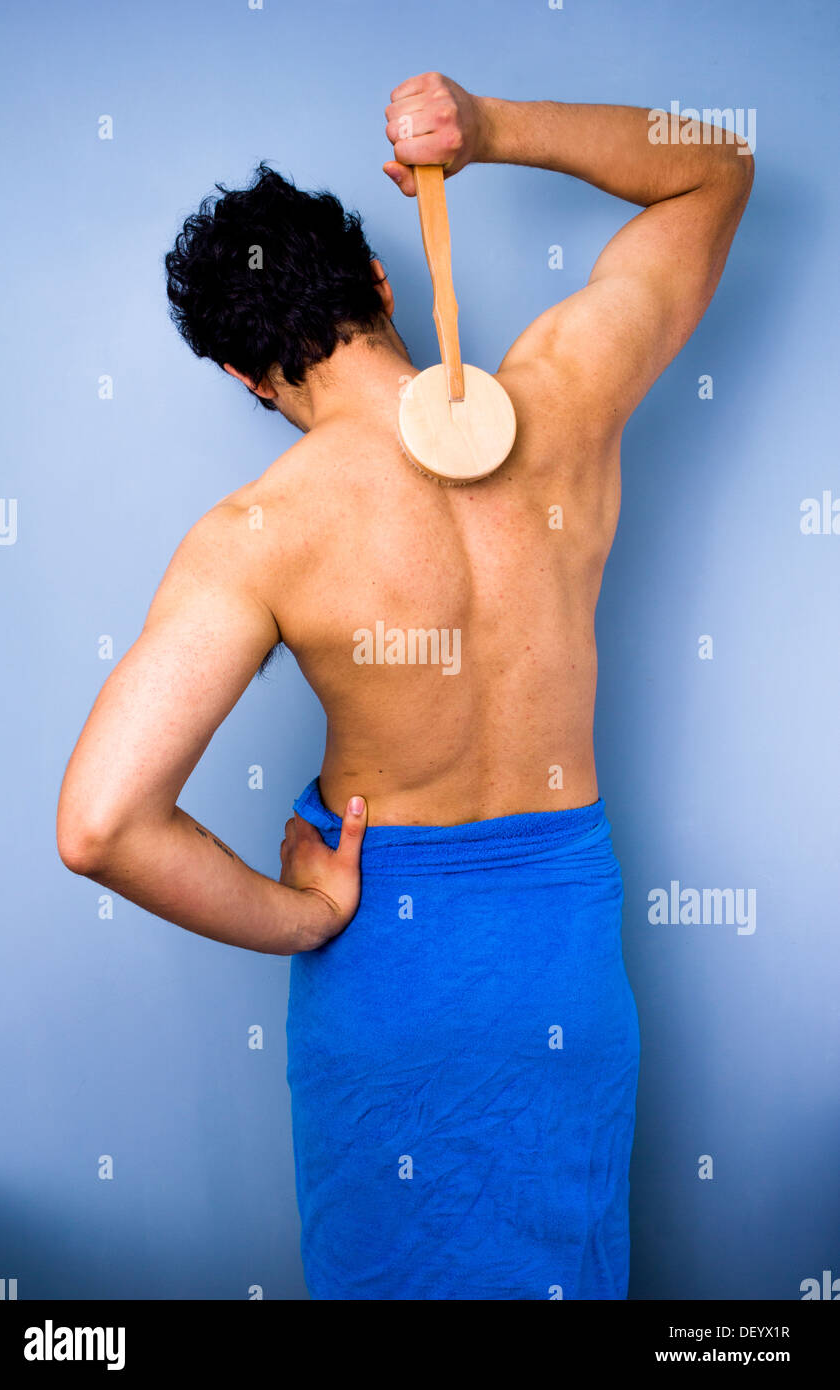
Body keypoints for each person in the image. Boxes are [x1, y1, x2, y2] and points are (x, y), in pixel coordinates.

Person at [56, 72, 753, 1299]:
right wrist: (488, 131)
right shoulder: (565, 393)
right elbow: (717, 166)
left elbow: (102, 824)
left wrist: (306, 914)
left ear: (241, 375)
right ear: (382, 284)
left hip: (391, 975)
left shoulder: (257, 533)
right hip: (563, 972)